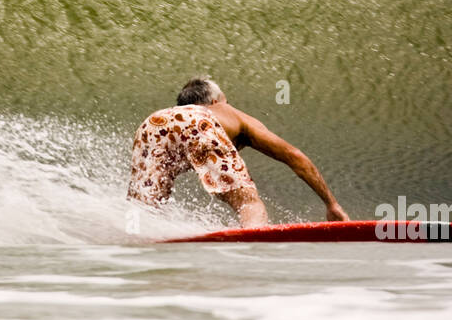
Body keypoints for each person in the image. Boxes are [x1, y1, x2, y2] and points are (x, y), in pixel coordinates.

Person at [127, 77, 350, 228]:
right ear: (216, 101)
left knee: (146, 207)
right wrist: (332, 205)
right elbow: (294, 156)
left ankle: (140, 239)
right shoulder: (223, 112)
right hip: (200, 125)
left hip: (152, 123)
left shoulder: (173, 114)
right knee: (249, 203)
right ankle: (253, 247)